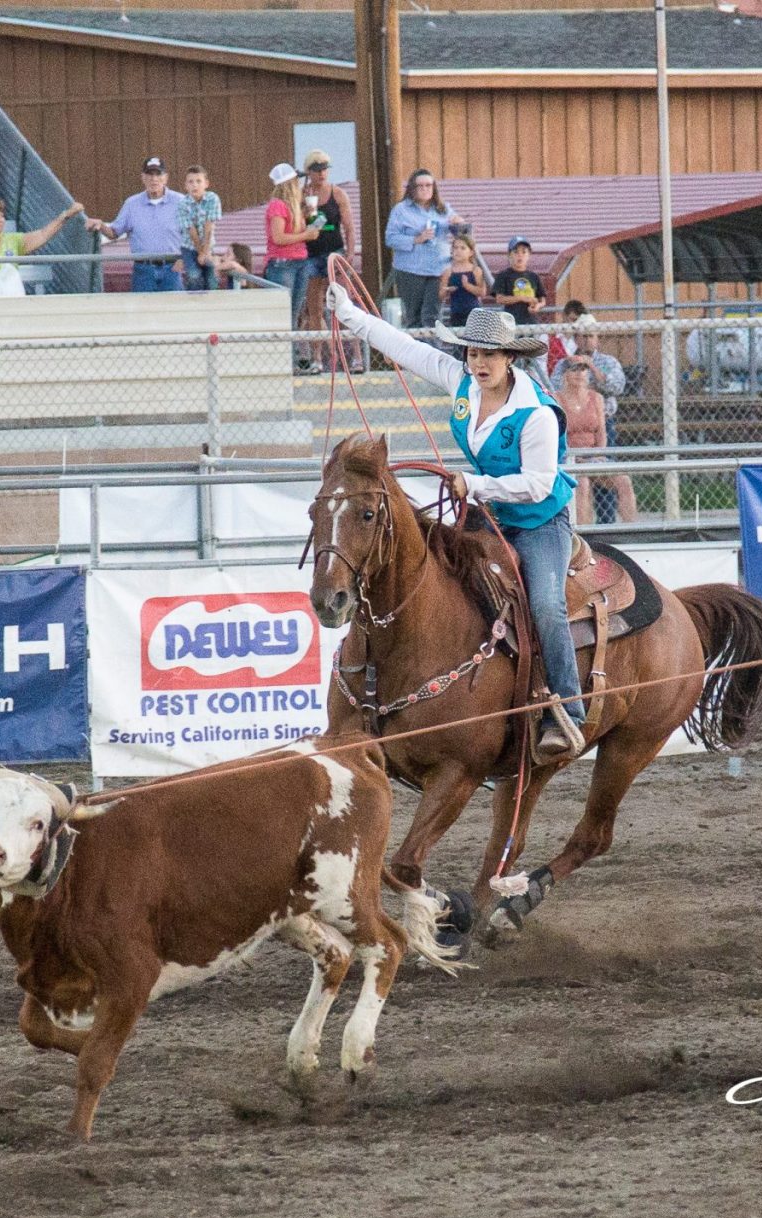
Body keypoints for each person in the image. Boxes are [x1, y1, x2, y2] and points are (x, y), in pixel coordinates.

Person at [326, 287, 588, 761]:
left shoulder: (536, 413)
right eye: (472, 352)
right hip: (486, 515)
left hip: (538, 521)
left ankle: (566, 708)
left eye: (488, 354)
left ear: (509, 357)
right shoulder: (463, 383)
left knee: (547, 604)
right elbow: (406, 348)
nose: (478, 362)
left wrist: (478, 485)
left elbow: (539, 483)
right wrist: (348, 314)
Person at [86, 156, 185, 294]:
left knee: (173, 312)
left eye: (158, 174)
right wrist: (100, 225)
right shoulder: (132, 204)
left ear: (166, 178)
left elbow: (193, 232)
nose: (154, 179)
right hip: (143, 270)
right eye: (150, 174)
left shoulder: (181, 202)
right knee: (143, 313)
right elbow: (114, 233)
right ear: (143, 178)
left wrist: (184, 258)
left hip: (172, 268)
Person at [558, 357, 635, 528]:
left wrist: (599, 455)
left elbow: (601, 431)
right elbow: (557, 437)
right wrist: (576, 458)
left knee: (623, 480)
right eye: (574, 369)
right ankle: (585, 536)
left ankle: (632, 529)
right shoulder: (557, 399)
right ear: (565, 374)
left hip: (594, 457)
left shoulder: (596, 398)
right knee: (582, 483)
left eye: (583, 369)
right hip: (568, 458)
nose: (579, 373)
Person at [0, 196, 82, 297]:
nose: (0, 220)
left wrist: (67, 215)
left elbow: (43, 234)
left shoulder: (13, 240)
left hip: (6, 293)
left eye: (2, 216)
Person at [385, 168, 464, 329]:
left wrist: (459, 223)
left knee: (432, 315)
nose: (424, 189)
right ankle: (415, 353)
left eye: (428, 185)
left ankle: (432, 351)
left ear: (434, 188)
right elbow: (390, 238)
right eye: (420, 185)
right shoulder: (401, 210)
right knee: (414, 317)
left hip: (438, 269)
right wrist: (416, 239)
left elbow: (463, 235)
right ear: (412, 189)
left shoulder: (443, 209)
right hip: (411, 270)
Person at [260, 161, 319, 333]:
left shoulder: (294, 206)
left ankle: (291, 358)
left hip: (299, 261)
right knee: (283, 315)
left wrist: (309, 216)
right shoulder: (277, 205)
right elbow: (278, 237)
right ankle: (285, 357)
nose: (299, 184)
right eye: (296, 181)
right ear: (290, 183)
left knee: (293, 314)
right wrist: (305, 235)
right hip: (283, 263)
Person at [300, 149, 353, 325]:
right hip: (312, 253)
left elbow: (348, 227)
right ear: (309, 172)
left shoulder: (337, 193)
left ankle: (353, 350)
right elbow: (295, 223)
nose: (321, 174)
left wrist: (350, 253)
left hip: (334, 250)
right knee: (314, 307)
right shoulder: (303, 195)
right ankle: (316, 352)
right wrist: (303, 213)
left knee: (343, 302)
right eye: (316, 170)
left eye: (324, 169)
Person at [177, 164, 221, 293]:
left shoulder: (213, 199)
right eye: (190, 182)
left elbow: (209, 226)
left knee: (211, 277)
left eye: (198, 181)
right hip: (189, 246)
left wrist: (205, 251)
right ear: (185, 186)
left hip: (208, 245)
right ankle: (194, 301)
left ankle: (211, 301)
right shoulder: (183, 204)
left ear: (206, 183)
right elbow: (191, 230)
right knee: (193, 275)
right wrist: (200, 251)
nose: (194, 185)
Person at [491, 235, 547, 324]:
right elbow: (499, 299)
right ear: (509, 255)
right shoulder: (503, 275)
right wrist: (521, 298)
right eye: (516, 252)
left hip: (531, 321)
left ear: (529, 255)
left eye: (524, 252)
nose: (520, 255)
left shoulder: (534, 276)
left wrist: (537, 306)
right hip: (511, 322)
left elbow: (542, 299)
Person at [441, 233, 488, 326]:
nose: (458, 251)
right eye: (455, 248)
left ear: (471, 252)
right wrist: (446, 291)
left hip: (474, 313)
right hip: (456, 312)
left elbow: (482, 292)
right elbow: (441, 295)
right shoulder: (448, 271)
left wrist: (467, 286)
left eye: (463, 248)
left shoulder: (475, 270)